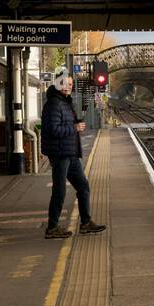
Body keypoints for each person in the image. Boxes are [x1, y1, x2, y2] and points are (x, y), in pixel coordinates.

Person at [41, 67, 106, 239]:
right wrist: (74, 128)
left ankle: (85, 223)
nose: (68, 87)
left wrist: (75, 123)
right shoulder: (54, 103)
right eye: (64, 83)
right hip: (60, 154)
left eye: (70, 84)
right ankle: (52, 227)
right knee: (60, 191)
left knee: (83, 187)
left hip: (70, 153)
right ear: (57, 84)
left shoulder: (65, 102)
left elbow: (64, 124)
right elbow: (53, 129)